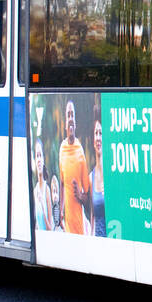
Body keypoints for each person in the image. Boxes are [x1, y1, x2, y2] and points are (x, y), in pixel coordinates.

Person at [58, 100, 92, 235]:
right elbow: (62, 183)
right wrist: (60, 211)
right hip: (67, 225)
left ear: (75, 122)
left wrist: (79, 195)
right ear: (65, 122)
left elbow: (88, 196)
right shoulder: (62, 149)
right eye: (68, 115)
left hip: (79, 227)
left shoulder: (80, 151)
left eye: (73, 115)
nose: (71, 118)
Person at [89, 118, 107, 238]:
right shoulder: (90, 177)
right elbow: (92, 217)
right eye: (96, 133)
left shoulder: (113, 174)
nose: (98, 137)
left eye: (101, 133)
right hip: (98, 243)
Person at [32, 140, 52, 231]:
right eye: (37, 156)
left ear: (43, 159)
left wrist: (43, 208)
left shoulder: (47, 190)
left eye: (40, 155)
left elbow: (50, 228)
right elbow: (36, 224)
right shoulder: (35, 191)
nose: (39, 159)